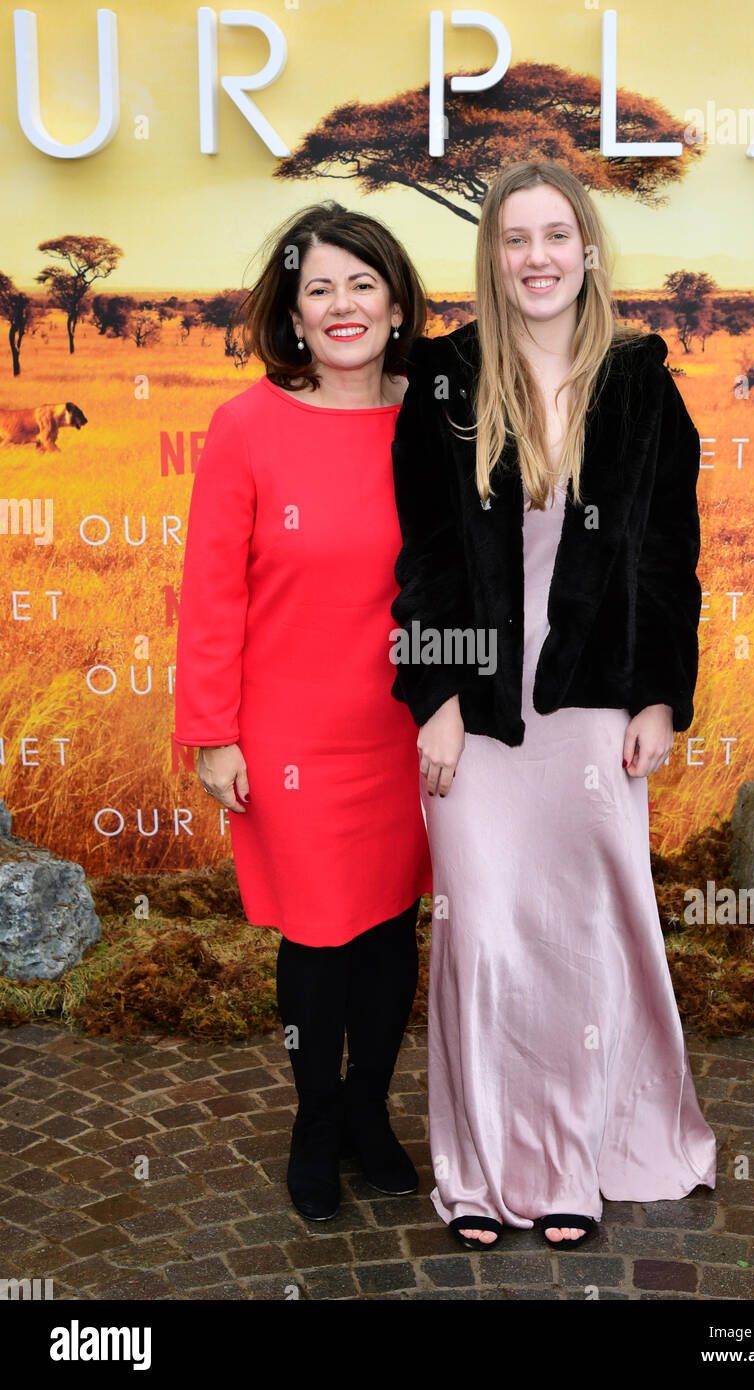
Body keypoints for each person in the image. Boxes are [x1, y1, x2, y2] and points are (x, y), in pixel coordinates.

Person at [389, 160, 717, 1251]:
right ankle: (478, 1165)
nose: (536, 256)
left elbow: (670, 557)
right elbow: (425, 559)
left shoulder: (640, 384)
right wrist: (431, 693)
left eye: (555, 235)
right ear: (492, 256)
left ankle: (570, 1160)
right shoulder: (444, 382)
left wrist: (662, 696)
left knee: (577, 938)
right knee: (481, 930)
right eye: (515, 237)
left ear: (585, 250)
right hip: (476, 702)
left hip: (593, 695)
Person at [173, 202, 432, 1222]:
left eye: (360, 283)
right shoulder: (246, 424)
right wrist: (212, 731)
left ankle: (372, 1111)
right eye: (317, 287)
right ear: (290, 308)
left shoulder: (434, 416)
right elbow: (211, 590)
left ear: (396, 298)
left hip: (408, 728)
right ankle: (314, 1123)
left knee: (388, 931)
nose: (341, 305)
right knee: (320, 939)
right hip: (288, 738)